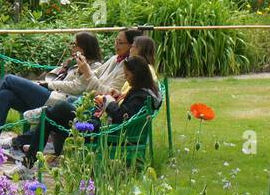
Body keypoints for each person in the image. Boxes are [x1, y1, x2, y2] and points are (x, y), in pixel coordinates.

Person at [0, 28, 141, 144]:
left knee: (8, 79)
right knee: (6, 94)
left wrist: (52, 82)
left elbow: (84, 88)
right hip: (55, 93)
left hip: (61, 100)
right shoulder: (108, 61)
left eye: (120, 42)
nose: (116, 45)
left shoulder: (109, 67)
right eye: (116, 41)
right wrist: (64, 68)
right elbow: (85, 82)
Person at [10, 56, 160, 170]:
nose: (126, 78)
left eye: (127, 75)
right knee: (50, 116)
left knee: (60, 108)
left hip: (100, 132)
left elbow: (122, 116)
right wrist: (116, 97)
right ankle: (28, 162)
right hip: (101, 128)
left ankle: (27, 163)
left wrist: (109, 101)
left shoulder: (140, 96)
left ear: (137, 75)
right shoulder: (142, 92)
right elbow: (125, 112)